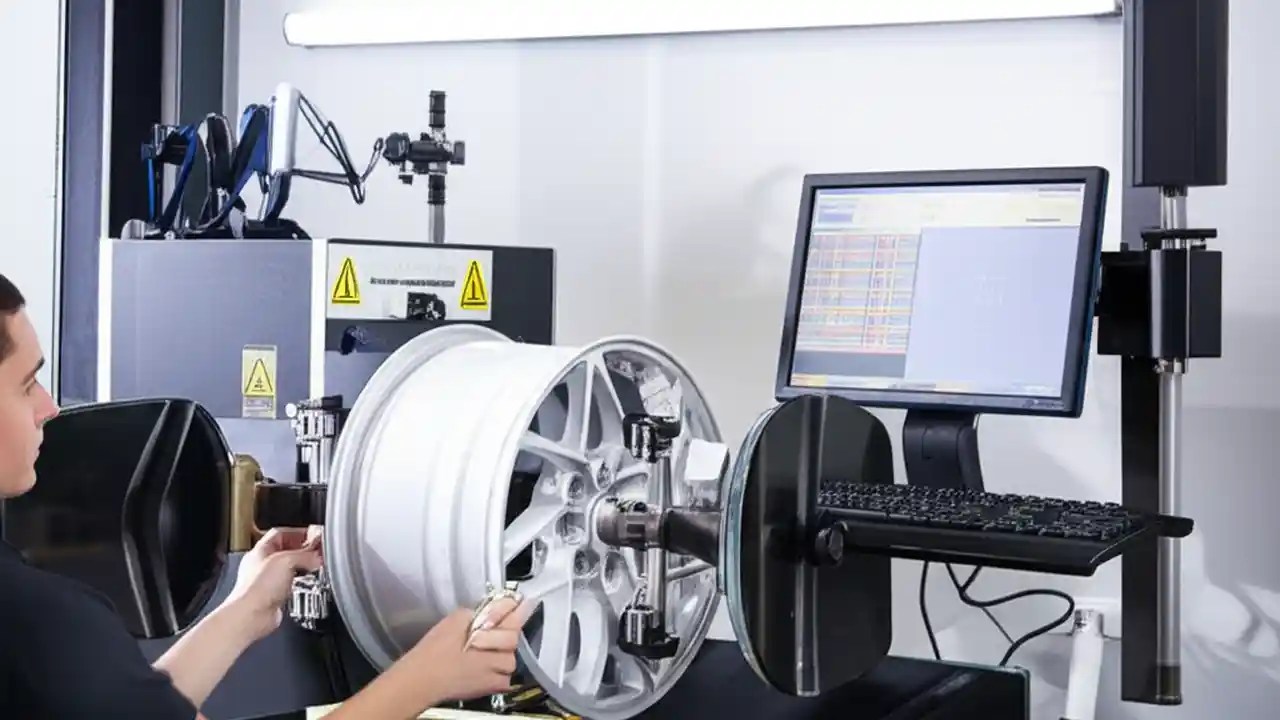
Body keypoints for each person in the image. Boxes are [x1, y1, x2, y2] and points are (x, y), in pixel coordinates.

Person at [0, 272, 531, 719]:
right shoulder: (37, 616)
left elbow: (121, 710)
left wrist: (245, 611)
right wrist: (427, 676)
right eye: (27, 385)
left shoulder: (33, 616)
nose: (49, 407)